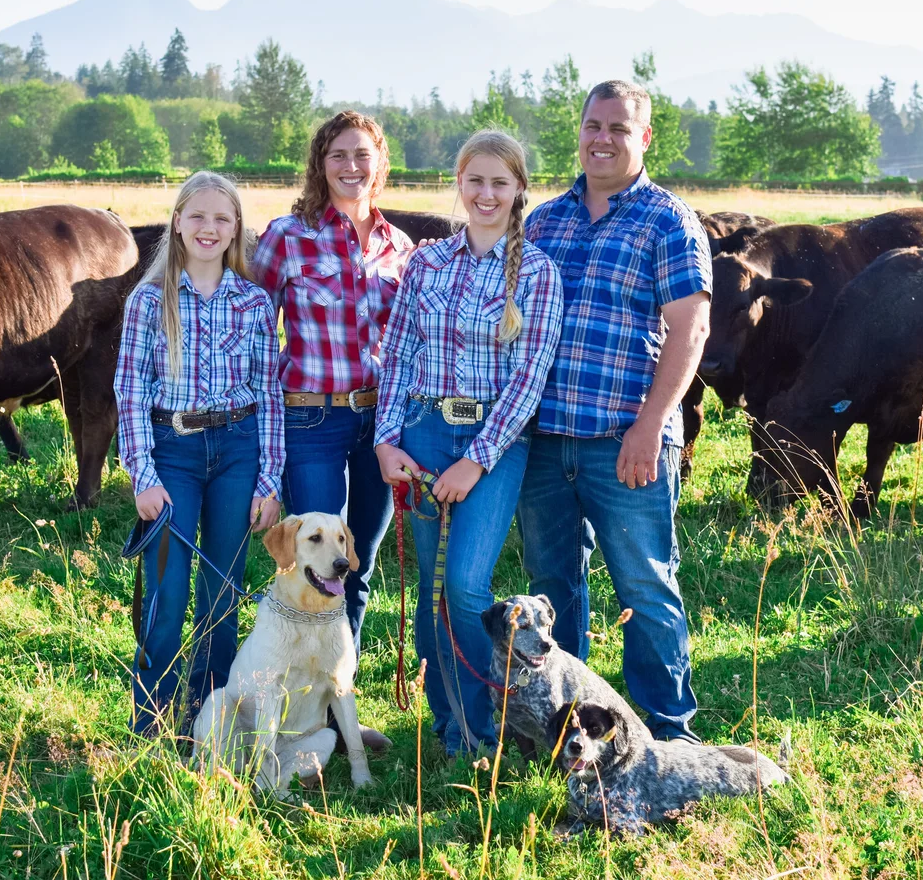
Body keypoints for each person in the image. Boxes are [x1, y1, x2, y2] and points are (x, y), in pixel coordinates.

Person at [516, 80, 712, 743]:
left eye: (619, 128)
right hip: (544, 441)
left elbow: (690, 330)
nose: (602, 138)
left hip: (624, 437)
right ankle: (568, 724)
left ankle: (668, 731)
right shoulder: (543, 221)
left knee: (645, 586)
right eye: (593, 125)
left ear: (644, 138)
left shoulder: (667, 219)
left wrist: (652, 424)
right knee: (553, 588)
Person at [373, 129, 563, 755]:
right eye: (475, 181)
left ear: (517, 191)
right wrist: (387, 441)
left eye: (499, 183)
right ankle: (449, 722)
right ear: (459, 184)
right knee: (431, 588)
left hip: (495, 441)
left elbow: (530, 380)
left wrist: (475, 461)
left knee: (465, 585)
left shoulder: (537, 272)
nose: (486, 193)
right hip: (423, 428)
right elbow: (398, 354)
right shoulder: (425, 263)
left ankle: (482, 726)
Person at [253, 111, 414, 752]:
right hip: (310, 415)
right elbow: (251, 322)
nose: (352, 167)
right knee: (310, 555)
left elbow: (406, 345)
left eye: (363, 155)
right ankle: (291, 700)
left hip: (378, 419)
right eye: (338, 155)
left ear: (381, 163)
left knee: (358, 562)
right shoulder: (287, 238)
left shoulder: (399, 249)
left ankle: (334, 704)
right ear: (321, 165)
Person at [115, 171, 284, 737]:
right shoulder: (148, 300)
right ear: (178, 223)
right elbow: (131, 391)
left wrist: (270, 480)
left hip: (238, 450)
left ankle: (208, 716)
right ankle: (151, 720)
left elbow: (269, 396)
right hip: (172, 451)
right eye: (198, 216)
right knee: (167, 589)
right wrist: (142, 474)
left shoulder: (255, 303)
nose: (209, 228)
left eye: (221, 218)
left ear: (237, 227)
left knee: (222, 589)